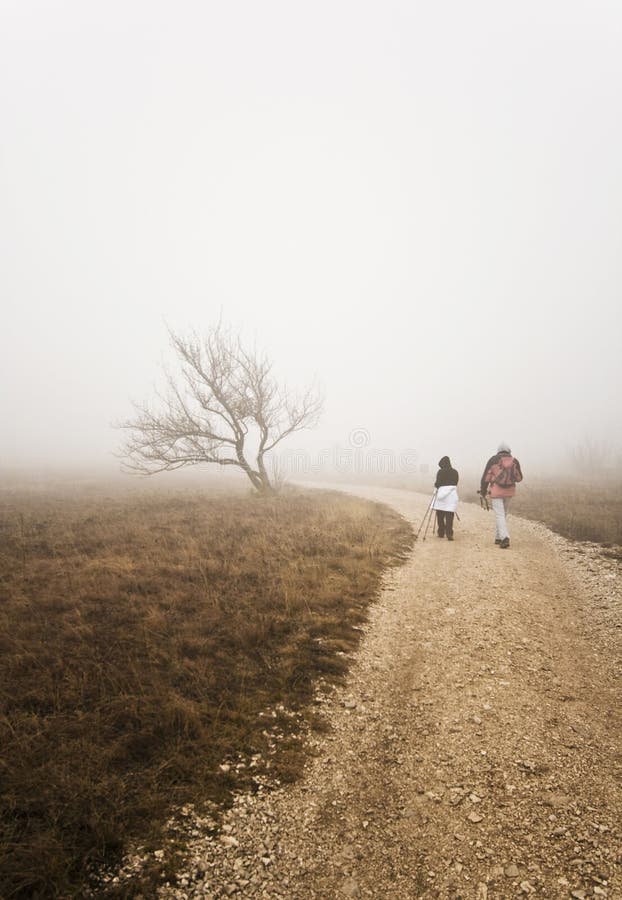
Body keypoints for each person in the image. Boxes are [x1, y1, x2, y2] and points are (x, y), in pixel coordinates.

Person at [480, 443, 523, 549]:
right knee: (503, 514)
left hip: (496, 491)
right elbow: (519, 478)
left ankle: (504, 537)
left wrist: (483, 490)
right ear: (509, 451)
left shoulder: (493, 460)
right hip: (509, 491)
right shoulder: (514, 460)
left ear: (498, 451)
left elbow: (486, 477)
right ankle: (498, 537)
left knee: (499, 515)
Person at [433, 455, 459, 540]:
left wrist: (437, 486)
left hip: (441, 495)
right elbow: (455, 483)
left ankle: (441, 532)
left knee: (440, 513)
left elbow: (437, 484)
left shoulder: (440, 472)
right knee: (449, 514)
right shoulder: (455, 472)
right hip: (451, 495)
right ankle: (449, 533)